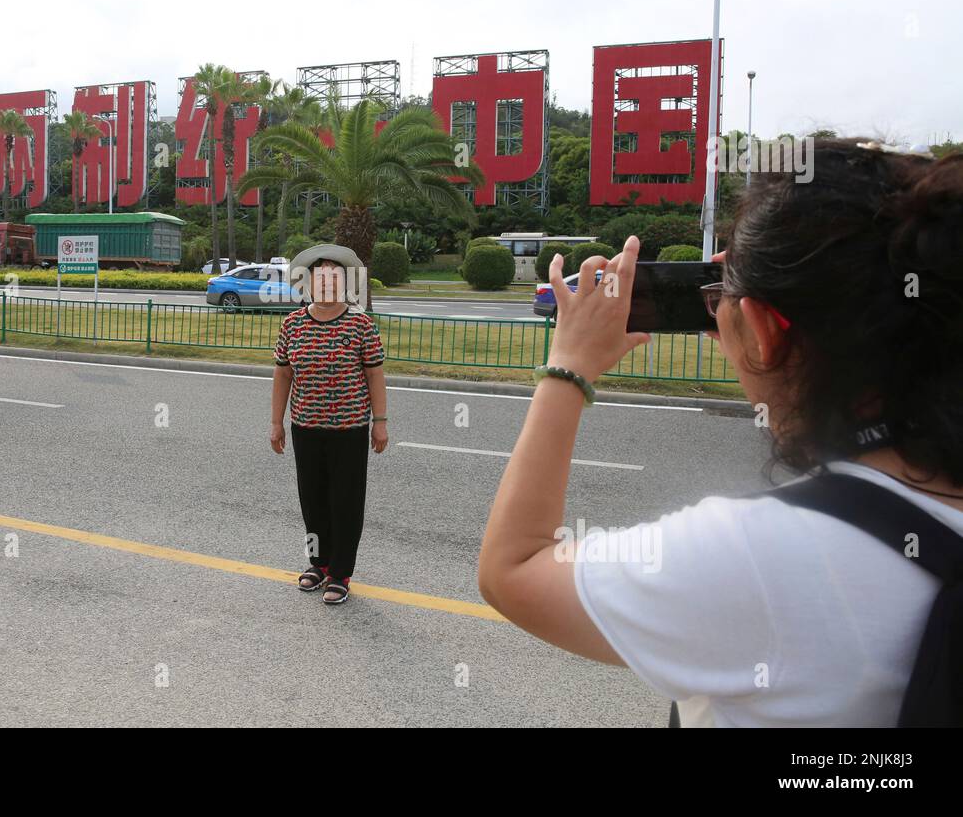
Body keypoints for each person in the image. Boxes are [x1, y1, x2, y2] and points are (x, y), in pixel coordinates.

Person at [478, 138, 963, 726]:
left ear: (765, 329)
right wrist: (761, 338)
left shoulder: (762, 554)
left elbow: (514, 570)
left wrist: (568, 367)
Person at [269, 244, 388, 604]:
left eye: (332, 277)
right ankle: (317, 564)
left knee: (346, 501)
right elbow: (283, 375)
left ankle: (340, 572)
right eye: (318, 277)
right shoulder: (292, 324)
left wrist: (379, 423)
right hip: (306, 427)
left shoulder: (359, 323)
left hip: (349, 430)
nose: (325, 284)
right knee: (313, 499)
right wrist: (277, 422)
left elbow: (375, 375)